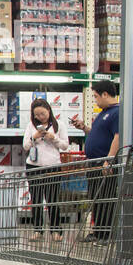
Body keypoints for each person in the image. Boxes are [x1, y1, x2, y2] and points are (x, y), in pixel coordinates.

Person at [71, 78, 121, 240]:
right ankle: (98, 231)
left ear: (105, 94)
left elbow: (117, 137)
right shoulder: (104, 113)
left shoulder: (117, 112)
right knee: (96, 198)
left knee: (105, 198)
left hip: (103, 163)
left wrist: (109, 160)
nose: (95, 100)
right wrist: (85, 128)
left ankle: (105, 234)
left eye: (96, 96)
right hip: (94, 163)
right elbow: (99, 135)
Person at [23, 97, 71, 240]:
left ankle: (56, 230)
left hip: (53, 167)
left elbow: (65, 145)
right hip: (34, 166)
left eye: (42, 114)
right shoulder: (31, 125)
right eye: (36, 115)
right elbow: (25, 146)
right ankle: (37, 230)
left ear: (49, 111)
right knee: (36, 199)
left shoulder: (59, 125)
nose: (40, 117)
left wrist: (53, 138)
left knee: (52, 199)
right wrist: (34, 137)